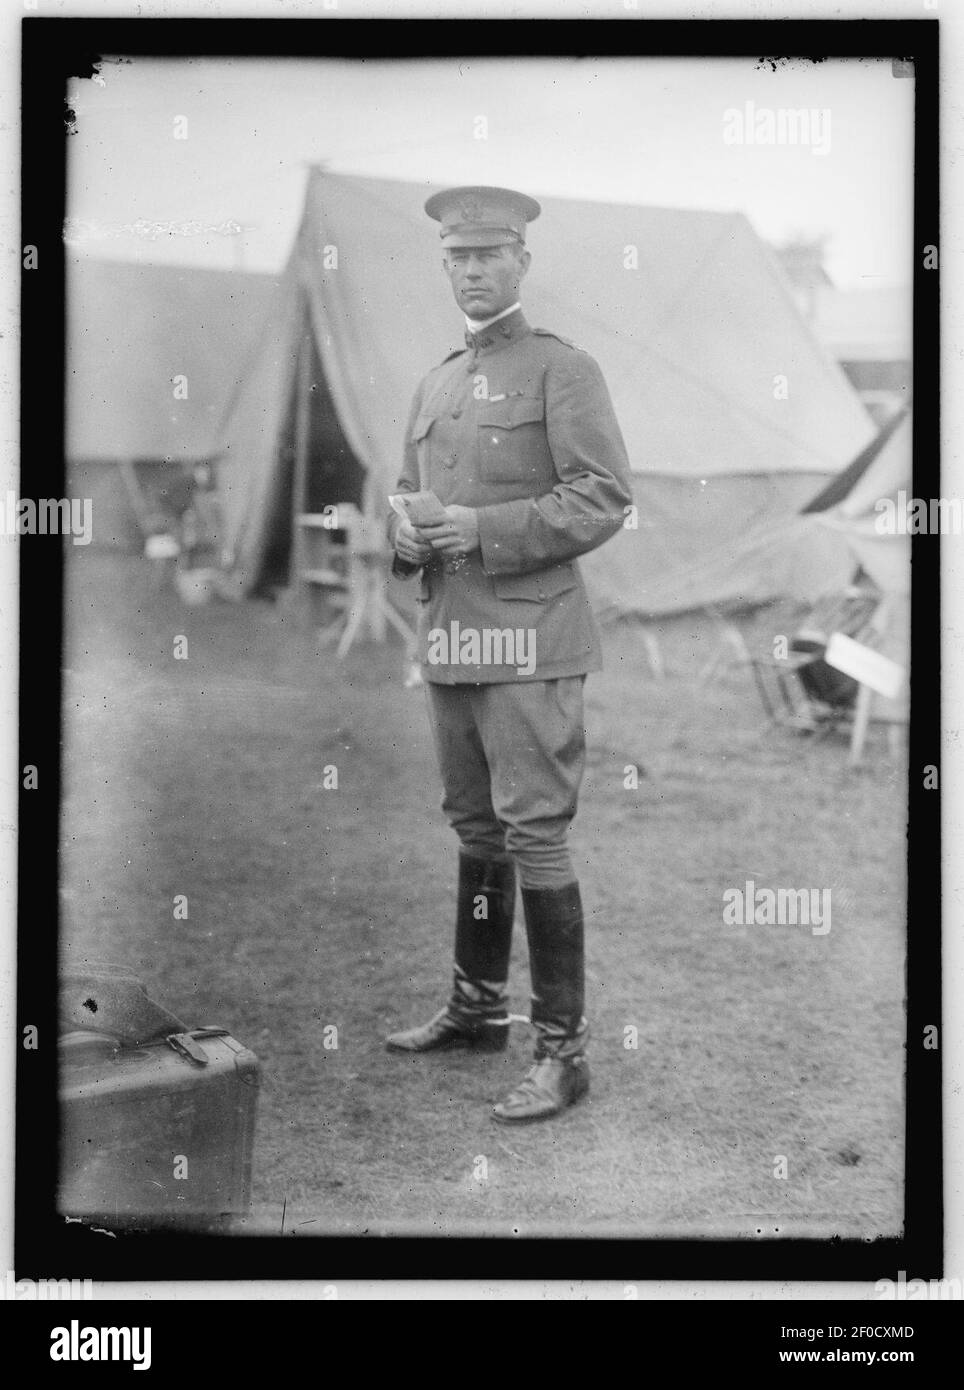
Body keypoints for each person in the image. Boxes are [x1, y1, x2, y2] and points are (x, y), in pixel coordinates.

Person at [385, 185, 633, 1123]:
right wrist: (409, 539)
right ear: (444, 264)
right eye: (458, 256)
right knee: (476, 829)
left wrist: (478, 528)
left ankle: (562, 1053)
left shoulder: (562, 369)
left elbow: (603, 497)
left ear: (523, 261)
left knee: (533, 830)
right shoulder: (437, 380)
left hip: (531, 637)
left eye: (490, 254)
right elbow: (409, 499)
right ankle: (477, 1010)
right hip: (453, 636)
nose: (473, 269)